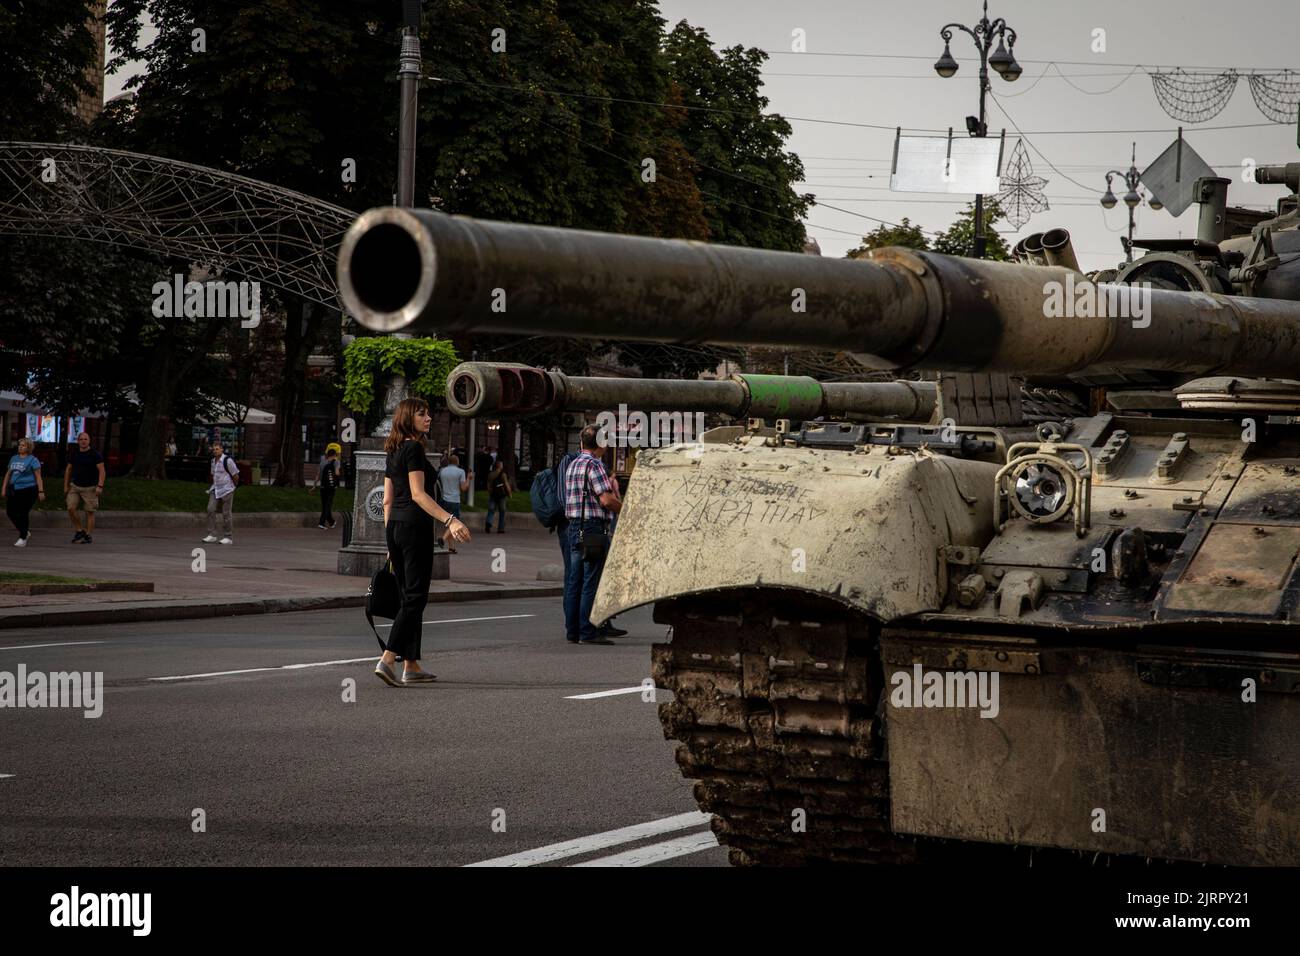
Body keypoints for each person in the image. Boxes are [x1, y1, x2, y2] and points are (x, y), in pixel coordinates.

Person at [376, 397, 471, 687]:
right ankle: (389, 658)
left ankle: (412, 664)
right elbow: (419, 495)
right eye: (421, 414)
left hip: (395, 528)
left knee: (409, 598)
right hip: (416, 528)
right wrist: (450, 520)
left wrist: (390, 540)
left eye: (428, 413)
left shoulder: (393, 450)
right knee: (416, 597)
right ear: (408, 418)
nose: (428, 418)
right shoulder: (414, 448)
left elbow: (387, 499)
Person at [563, 425, 626, 645]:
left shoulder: (573, 465)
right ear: (601, 444)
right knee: (592, 581)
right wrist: (626, 510)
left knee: (574, 581)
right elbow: (606, 500)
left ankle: (573, 632)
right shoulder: (595, 465)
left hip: (574, 527)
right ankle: (588, 631)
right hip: (592, 529)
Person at [64, 431, 105, 544]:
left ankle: (88, 535)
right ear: (78, 441)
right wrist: (66, 485)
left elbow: (101, 470)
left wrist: (100, 486)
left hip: (90, 487)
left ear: (89, 441)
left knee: (89, 512)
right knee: (71, 508)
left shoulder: (95, 454)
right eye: (81, 439)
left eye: (85, 439)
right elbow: (68, 469)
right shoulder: (74, 454)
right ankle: (79, 530)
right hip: (75, 486)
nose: (83, 441)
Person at [3, 438, 45, 547]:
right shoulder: (14, 458)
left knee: (22, 512)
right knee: (10, 511)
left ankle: (22, 537)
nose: (20, 447)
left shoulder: (32, 460)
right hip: (14, 489)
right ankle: (25, 531)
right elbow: (8, 474)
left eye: (23, 445)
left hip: (29, 489)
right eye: (20, 445)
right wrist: (3, 488)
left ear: (29, 448)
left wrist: (41, 491)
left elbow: (38, 476)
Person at [202, 440, 239, 545]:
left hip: (227, 489)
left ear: (222, 449)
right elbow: (212, 474)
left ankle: (228, 536)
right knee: (210, 509)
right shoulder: (213, 461)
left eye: (217, 449)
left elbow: (236, 475)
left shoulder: (227, 460)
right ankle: (212, 534)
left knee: (226, 513)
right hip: (216, 488)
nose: (215, 451)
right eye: (214, 449)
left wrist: (233, 487)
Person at [436, 453, 472, 553]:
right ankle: (442, 539)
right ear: (457, 462)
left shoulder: (443, 471)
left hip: (444, 499)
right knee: (454, 522)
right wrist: (469, 478)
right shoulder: (460, 471)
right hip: (454, 500)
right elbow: (464, 487)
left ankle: (452, 547)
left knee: (449, 523)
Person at [485, 456, 512, 533]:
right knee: (502, 512)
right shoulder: (503, 474)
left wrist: (490, 492)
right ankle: (501, 528)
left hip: (493, 494)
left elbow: (488, 485)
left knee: (491, 510)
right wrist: (509, 493)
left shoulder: (490, 474)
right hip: (501, 495)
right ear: (500, 466)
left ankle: (489, 522)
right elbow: (506, 484)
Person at [317, 447, 339, 529]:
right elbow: (337, 473)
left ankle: (331, 522)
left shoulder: (322, 463)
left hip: (322, 487)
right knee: (328, 505)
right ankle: (321, 523)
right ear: (334, 455)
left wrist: (314, 486)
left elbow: (318, 475)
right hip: (331, 487)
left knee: (325, 505)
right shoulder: (336, 462)